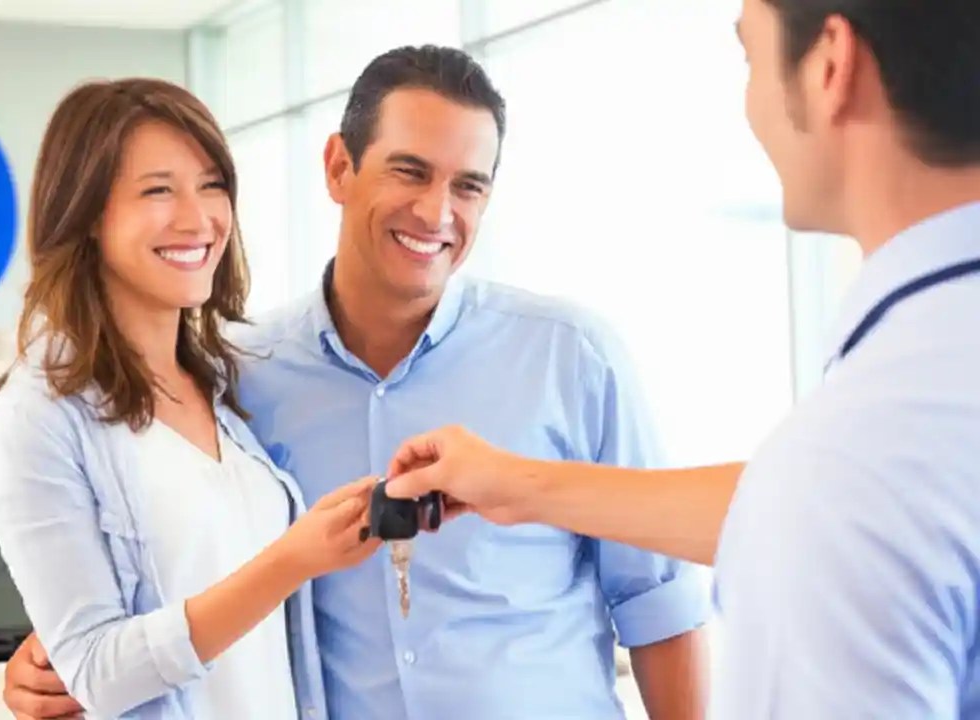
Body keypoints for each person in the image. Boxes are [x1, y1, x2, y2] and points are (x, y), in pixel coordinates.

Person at [3, 46, 710, 720]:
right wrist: (59, 654)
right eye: (409, 171)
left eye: (469, 186)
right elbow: (180, 561)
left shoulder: (571, 357)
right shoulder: (241, 377)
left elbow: (659, 604)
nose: (437, 213)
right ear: (339, 167)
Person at [382, 1, 980, 718]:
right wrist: (519, 484)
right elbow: (828, 500)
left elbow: (834, 498)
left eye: (750, 57)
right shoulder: (905, 420)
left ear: (829, 66)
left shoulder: (852, 457)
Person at [0, 77, 382, 720]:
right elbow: (95, 671)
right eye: (158, 190)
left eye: (212, 185)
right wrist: (295, 559)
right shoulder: (38, 418)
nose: (198, 219)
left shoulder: (226, 386)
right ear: (85, 215)